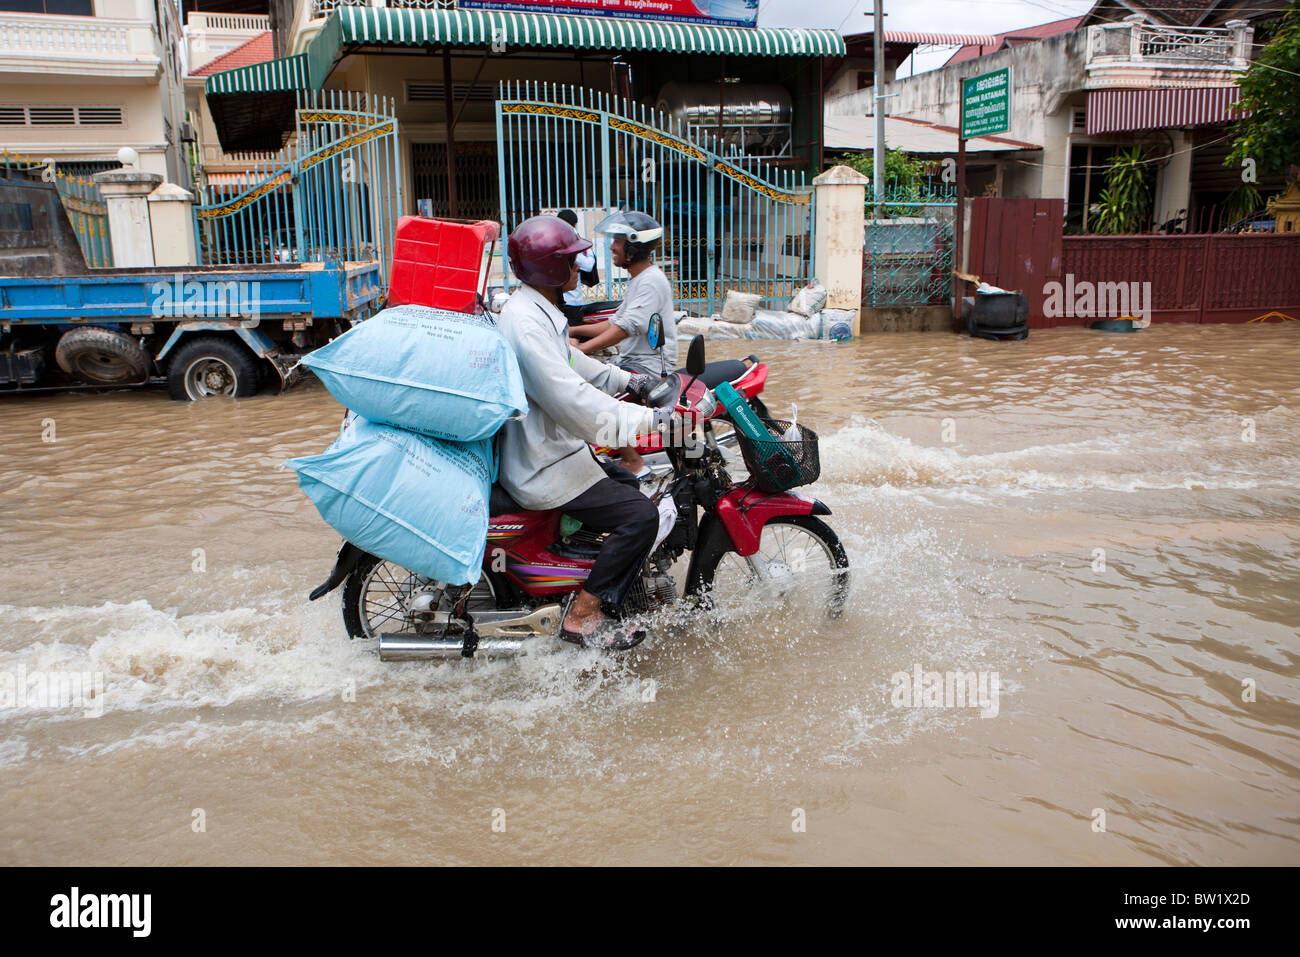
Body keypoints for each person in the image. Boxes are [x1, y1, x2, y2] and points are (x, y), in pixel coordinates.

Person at [498, 214, 680, 652]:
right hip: (543, 462)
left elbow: (572, 363)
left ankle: (585, 574)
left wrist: (625, 381)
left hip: (552, 450)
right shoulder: (526, 321)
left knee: (627, 479)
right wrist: (647, 423)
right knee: (640, 517)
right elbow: (571, 399)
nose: (578, 267)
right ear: (551, 267)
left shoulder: (537, 309)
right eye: (570, 260)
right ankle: (582, 615)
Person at [569, 210, 678, 477]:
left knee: (596, 402)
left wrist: (579, 352)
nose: (612, 246)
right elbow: (613, 322)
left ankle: (633, 461)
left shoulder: (650, 281)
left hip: (648, 367)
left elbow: (627, 328)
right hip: (632, 361)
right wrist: (570, 330)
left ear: (633, 245)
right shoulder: (639, 280)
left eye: (617, 240)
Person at [555, 209, 597, 326]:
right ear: (574, 225)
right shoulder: (571, 245)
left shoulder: (555, 244)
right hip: (570, 302)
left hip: (564, 301)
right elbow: (589, 265)